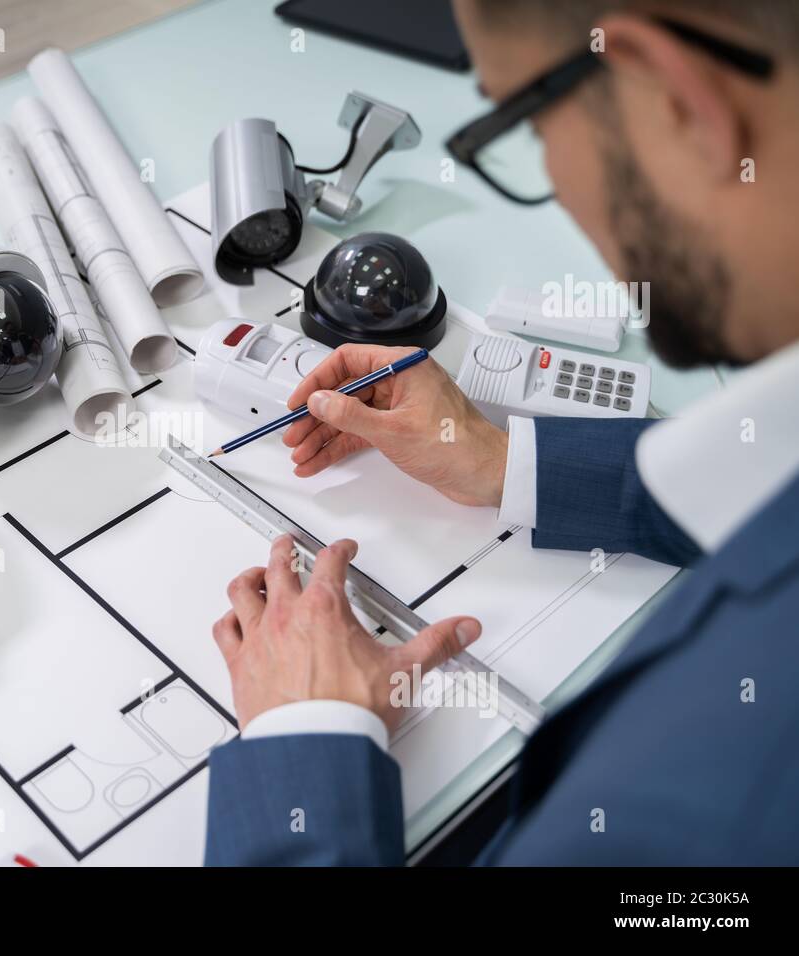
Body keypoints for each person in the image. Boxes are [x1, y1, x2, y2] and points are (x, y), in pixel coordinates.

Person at [204, 0, 799, 865]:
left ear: (673, 97)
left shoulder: (726, 801)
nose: (551, 171)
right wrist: (504, 462)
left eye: (518, 122)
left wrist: (308, 736)